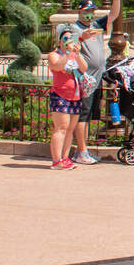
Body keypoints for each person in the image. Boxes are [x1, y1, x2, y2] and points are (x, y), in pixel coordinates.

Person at [70, 0, 122, 165]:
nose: (89, 14)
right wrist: (81, 37)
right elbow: (67, 43)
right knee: (82, 115)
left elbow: (113, 15)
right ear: (79, 11)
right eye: (86, 11)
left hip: (96, 79)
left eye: (91, 11)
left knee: (90, 115)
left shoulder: (96, 26)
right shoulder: (75, 28)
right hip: (84, 80)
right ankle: (81, 151)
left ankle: (84, 150)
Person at [47, 27, 86, 170]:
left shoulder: (75, 56)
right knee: (61, 128)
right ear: (59, 42)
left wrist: (77, 53)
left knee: (70, 129)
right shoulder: (54, 55)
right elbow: (57, 66)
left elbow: (84, 68)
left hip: (75, 95)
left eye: (71, 38)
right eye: (65, 39)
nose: (69, 41)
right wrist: (68, 53)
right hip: (60, 95)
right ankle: (56, 160)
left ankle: (65, 158)